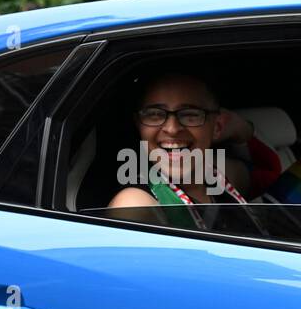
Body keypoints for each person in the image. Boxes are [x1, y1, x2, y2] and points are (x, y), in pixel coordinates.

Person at [108, 71, 277, 211]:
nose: (172, 129)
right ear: (139, 125)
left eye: (190, 114)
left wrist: (240, 128)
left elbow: (271, 174)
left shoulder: (218, 177)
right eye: (155, 114)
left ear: (218, 127)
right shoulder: (136, 204)